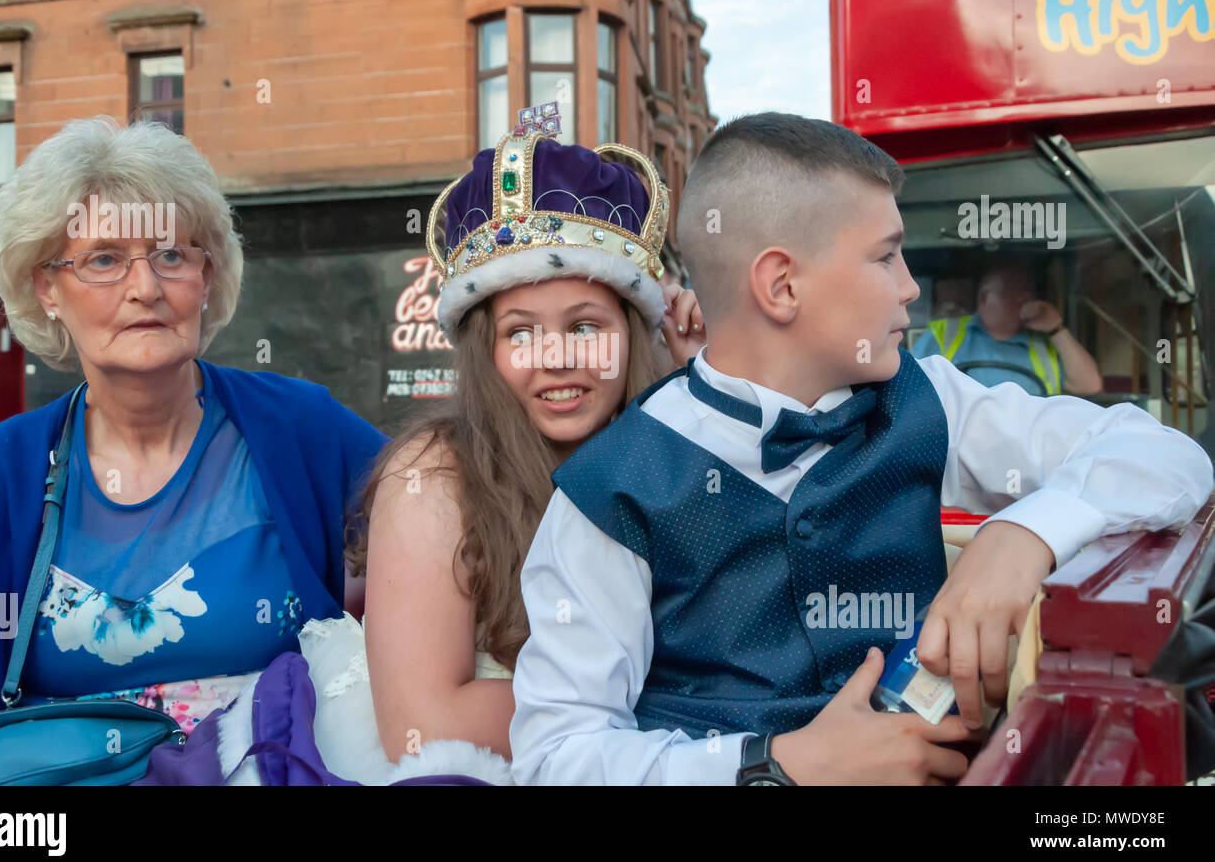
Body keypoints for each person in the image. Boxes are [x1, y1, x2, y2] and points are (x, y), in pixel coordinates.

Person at [509, 112, 1213, 785]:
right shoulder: (608, 492)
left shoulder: (929, 397)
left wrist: (1024, 533)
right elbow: (555, 758)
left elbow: (1166, 454)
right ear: (782, 285)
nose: (910, 287)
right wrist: (773, 764)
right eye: (886, 256)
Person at [0, 117, 386, 784]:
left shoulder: (303, 430)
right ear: (47, 288)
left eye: (171, 254)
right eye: (104, 259)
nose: (146, 287)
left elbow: (463, 536)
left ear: (206, 272)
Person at [283, 122, 705, 785]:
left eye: (586, 325)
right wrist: (686, 703)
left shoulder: (675, 446)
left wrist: (712, 387)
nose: (557, 357)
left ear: (632, 331)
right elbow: (425, 722)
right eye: (521, 332)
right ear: (484, 351)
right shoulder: (434, 475)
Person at [912, 267, 1103, 396]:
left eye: (1028, 294)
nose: (1026, 301)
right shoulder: (944, 334)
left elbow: (1090, 385)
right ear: (985, 299)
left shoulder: (1043, 343)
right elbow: (910, 389)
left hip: (1029, 450)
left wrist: (1056, 328)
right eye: (1016, 293)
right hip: (960, 449)